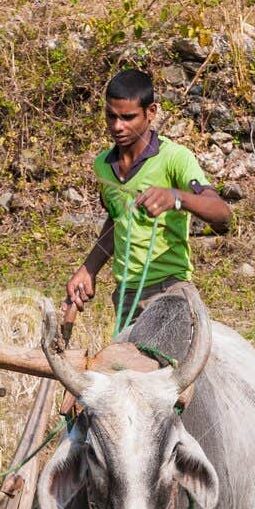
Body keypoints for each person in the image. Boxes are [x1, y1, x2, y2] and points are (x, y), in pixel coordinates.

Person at [66, 68, 231, 324]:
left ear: (151, 112)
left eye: (128, 117)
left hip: (169, 293)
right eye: (111, 116)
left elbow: (222, 215)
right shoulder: (102, 165)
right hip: (126, 296)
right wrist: (89, 269)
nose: (117, 126)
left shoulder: (175, 158)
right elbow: (117, 220)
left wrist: (178, 197)